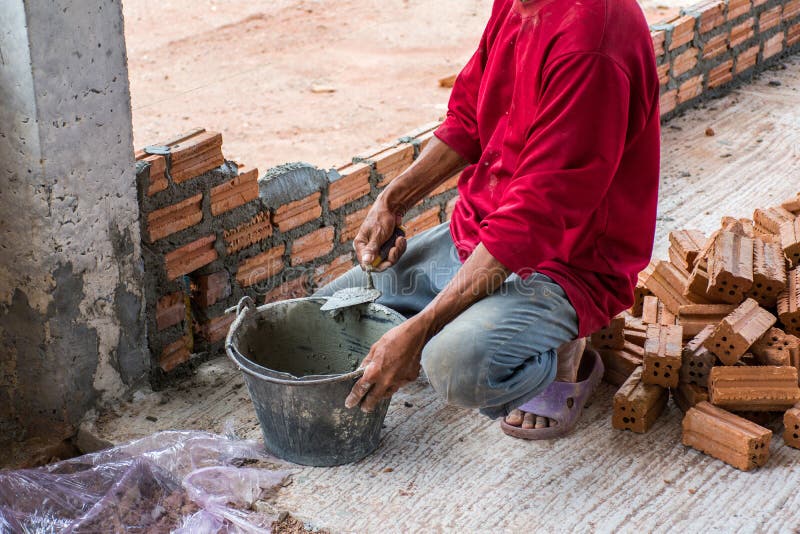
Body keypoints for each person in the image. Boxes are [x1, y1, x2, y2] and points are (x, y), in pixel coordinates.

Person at [314, 0, 660, 439]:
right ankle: (470, 315)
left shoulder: (590, 43)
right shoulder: (518, 4)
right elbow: (468, 119)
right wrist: (392, 199)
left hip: (566, 262)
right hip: (483, 233)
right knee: (324, 314)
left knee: (454, 366)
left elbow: (536, 218)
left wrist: (422, 329)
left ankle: (564, 350)